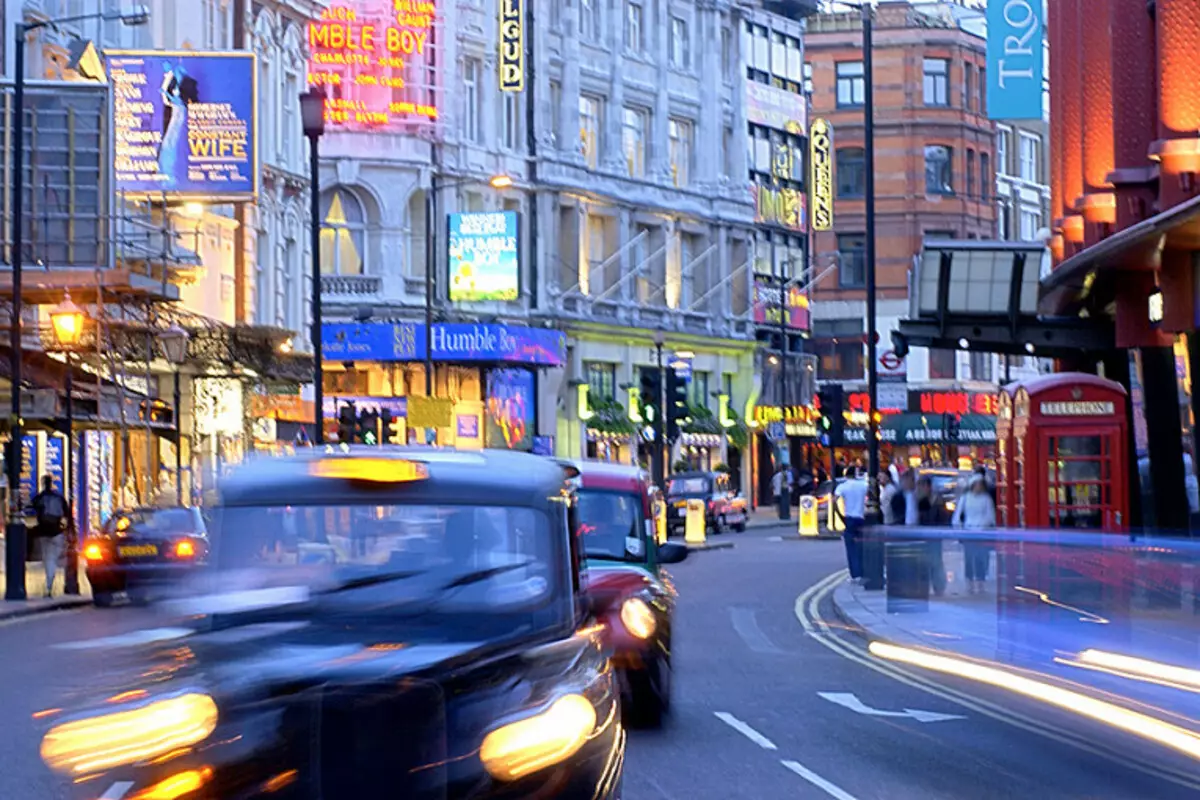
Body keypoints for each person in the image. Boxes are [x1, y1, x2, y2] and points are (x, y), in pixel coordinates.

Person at [952, 476, 996, 594]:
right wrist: (959, 530)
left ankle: (981, 582)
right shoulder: (965, 498)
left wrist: (986, 527)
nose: (979, 487)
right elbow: (957, 517)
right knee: (969, 558)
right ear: (972, 485)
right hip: (969, 532)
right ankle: (970, 582)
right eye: (977, 484)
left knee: (982, 558)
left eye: (981, 484)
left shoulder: (986, 499)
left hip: (982, 533)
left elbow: (991, 516)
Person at [31, 475, 70, 598]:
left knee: (47, 558)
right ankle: (49, 583)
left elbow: (31, 509)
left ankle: (49, 585)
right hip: (57, 532)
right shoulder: (59, 497)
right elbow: (67, 514)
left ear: (43, 483)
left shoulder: (39, 498)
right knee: (52, 558)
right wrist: (69, 530)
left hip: (43, 533)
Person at [834, 470, 869, 583]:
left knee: (851, 548)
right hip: (861, 518)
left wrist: (840, 515)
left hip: (849, 518)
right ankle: (863, 571)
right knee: (862, 547)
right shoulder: (863, 485)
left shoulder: (842, 486)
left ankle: (855, 575)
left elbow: (835, 501)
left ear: (846, 475)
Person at [916, 476, 947, 596]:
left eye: (923, 486)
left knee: (936, 561)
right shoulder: (920, 501)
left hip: (934, 536)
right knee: (925, 562)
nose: (921, 489)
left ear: (928, 487)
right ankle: (926, 586)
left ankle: (938, 586)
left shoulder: (937, 501)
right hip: (924, 536)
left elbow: (943, 518)